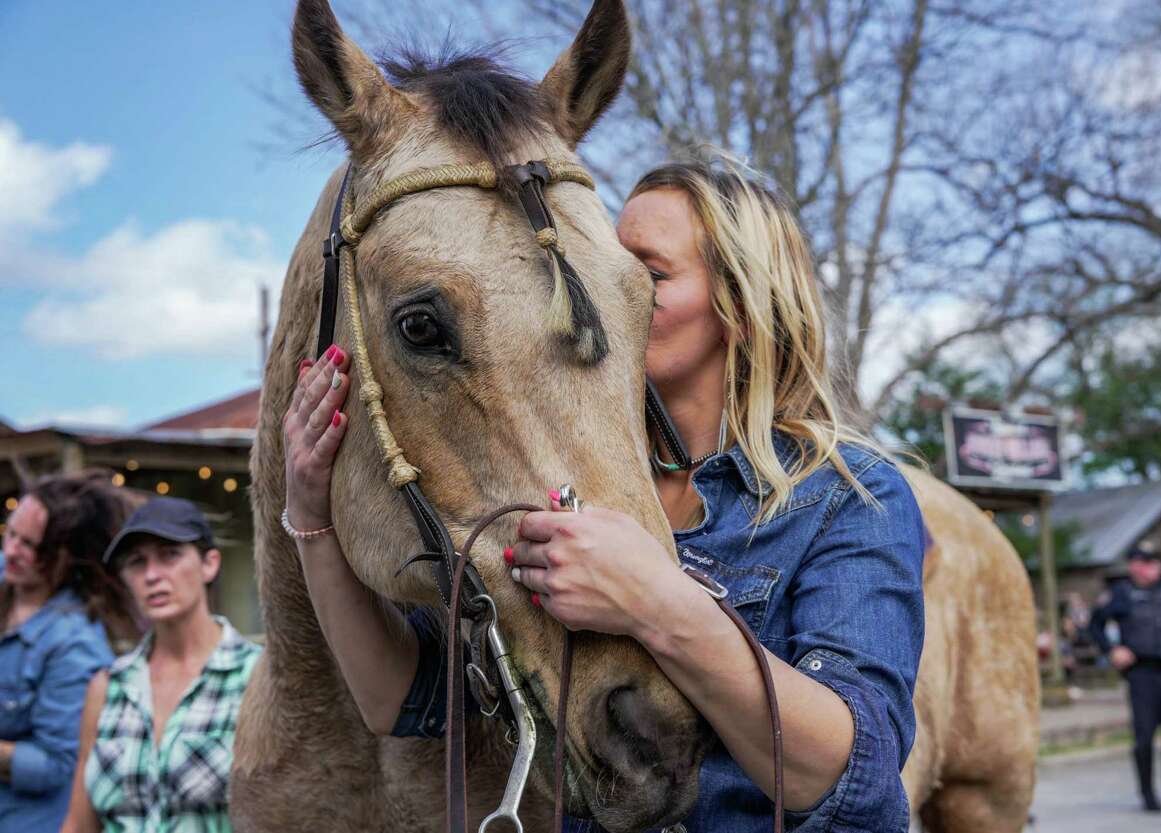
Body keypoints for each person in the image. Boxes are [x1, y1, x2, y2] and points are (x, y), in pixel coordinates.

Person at [283, 156, 926, 831]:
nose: (598, 286)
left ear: (740, 305)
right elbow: (400, 696)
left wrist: (658, 602)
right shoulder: (558, 475)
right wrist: (310, 511)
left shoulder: (848, 495)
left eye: (647, 275)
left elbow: (856, 778)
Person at [59, 497, 261, 833]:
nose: (152, 575)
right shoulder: (109, 687)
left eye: (170, 555)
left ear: (209, 564)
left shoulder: (254, 677)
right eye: (137, 562)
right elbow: (79, 824)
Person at [1, 472, 139, 833]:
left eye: (30, 546)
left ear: (65, 555)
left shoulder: (75, 643)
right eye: (10, 533)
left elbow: (55, 764)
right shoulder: (6, 575)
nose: (12, 550)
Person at [1089, 546, 1161, 812]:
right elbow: (1095, 624)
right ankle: (1148, 794)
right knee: (1144, 737)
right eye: (1144, 562)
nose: (1151, 567)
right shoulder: (1122, 594)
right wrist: (1111, 649)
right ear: (1133, 566)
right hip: (1143, 674)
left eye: (1155, 561)